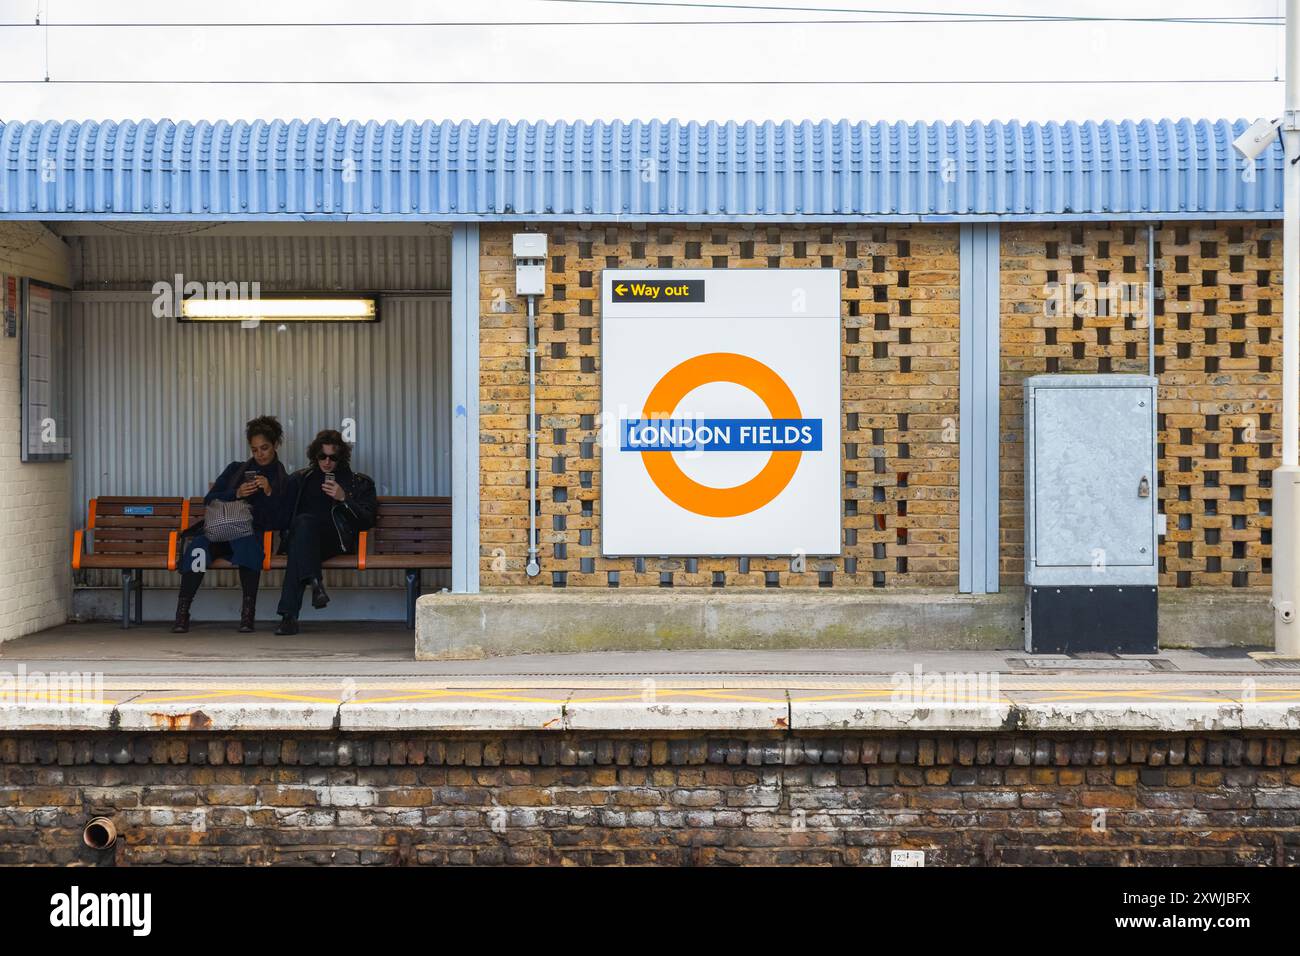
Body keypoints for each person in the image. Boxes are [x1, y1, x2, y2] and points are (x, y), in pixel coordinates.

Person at [172, 415, 289, 634]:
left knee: (248, 549)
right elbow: (210, 499)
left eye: (264, 448)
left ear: (275, 445)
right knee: (198, 548)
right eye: (254, 450)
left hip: (250, 533)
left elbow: (282, 519)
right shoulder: (236, 469)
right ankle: (182, 612)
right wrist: (236, 492)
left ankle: (247, 615)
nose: (259, 454)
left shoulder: (283, 479)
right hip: (220, 531)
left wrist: (269, 492)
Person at [274, 429, 377, 635]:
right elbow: (283, 516)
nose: (327, 462)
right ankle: (313, 585)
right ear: (315, 455)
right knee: (303, 528)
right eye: (322, 456)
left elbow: (367, 521)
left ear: (341, 458)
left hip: (335, 542)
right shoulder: (300, 479)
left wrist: (343, 498)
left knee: (300, 544)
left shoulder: (357, 482)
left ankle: (290, 615)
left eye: (333, 457)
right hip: (303, 539)